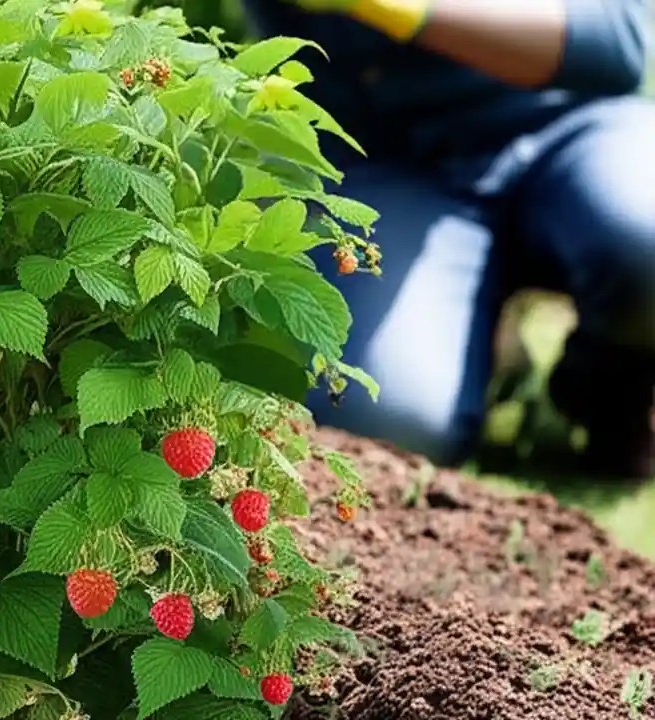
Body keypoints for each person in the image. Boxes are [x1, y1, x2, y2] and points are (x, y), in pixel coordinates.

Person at [239, 0, 655, 477]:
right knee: (385, 419)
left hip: (571, 123)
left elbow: (614, 43)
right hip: (392, 164)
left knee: (643, 235)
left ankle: (610, 383)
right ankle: (486, 349)